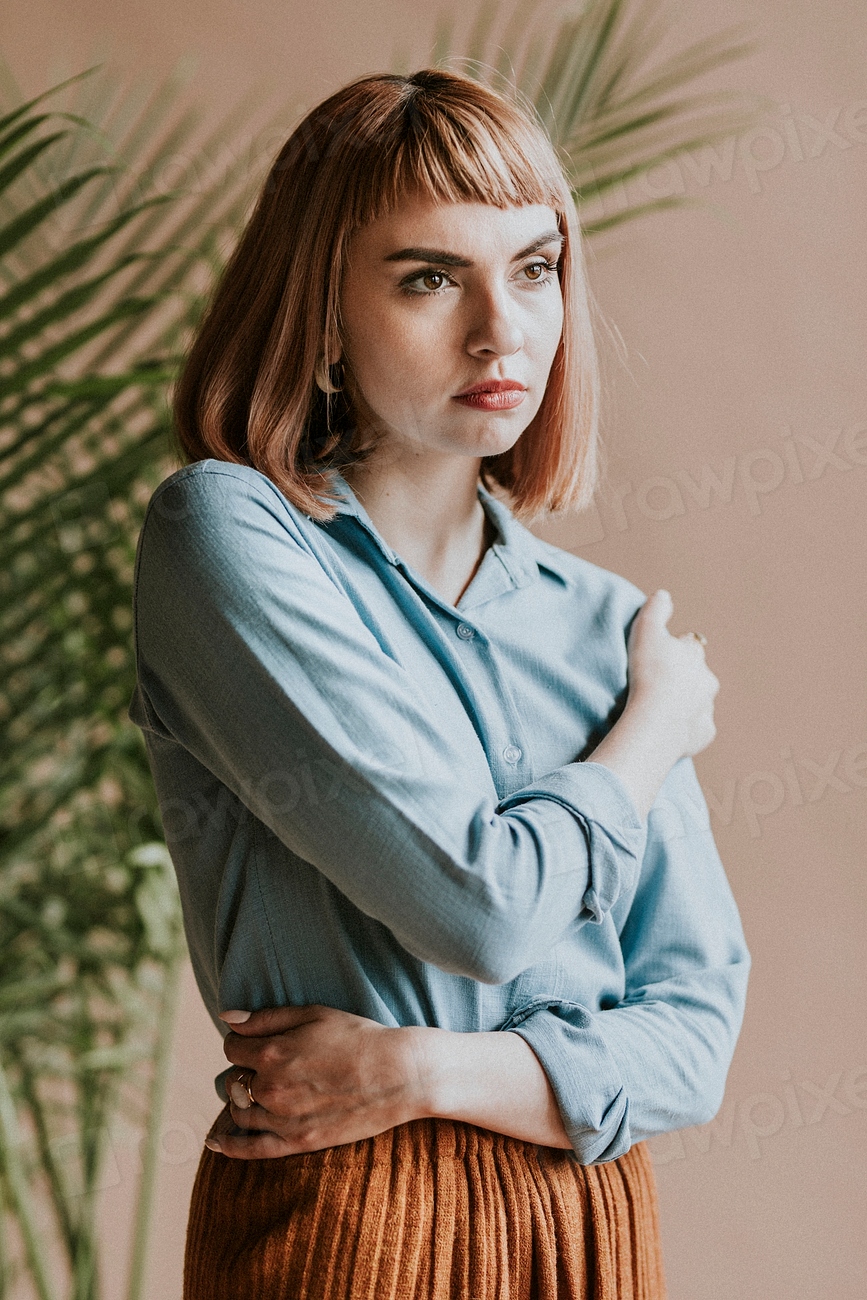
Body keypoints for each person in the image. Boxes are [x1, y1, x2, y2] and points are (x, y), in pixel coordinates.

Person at [130, 69, 749, 1300]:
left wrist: (418, 1071)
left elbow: (693, 1037)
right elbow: (480, 908)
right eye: (428, 278)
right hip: (339, 1207)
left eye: (533, 269)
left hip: (582, 1217)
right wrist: (642, 745)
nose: (500, 330)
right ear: (319, 308)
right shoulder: (228, 538)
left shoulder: (606, 624)